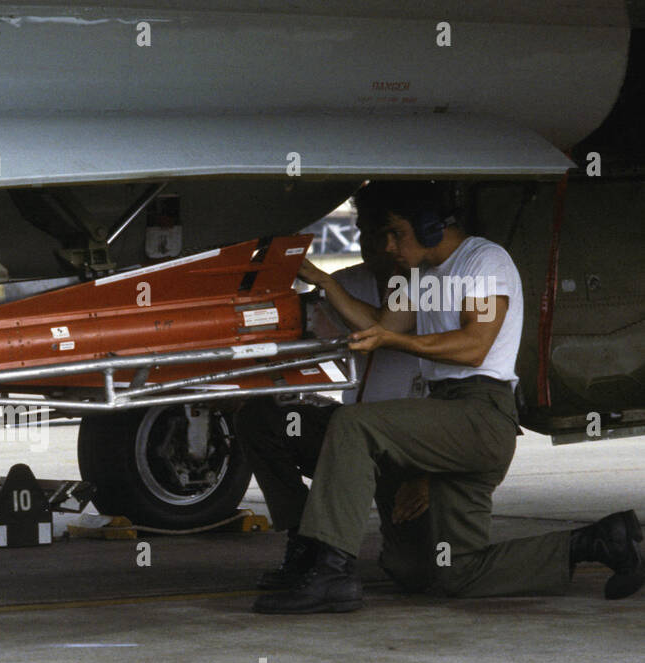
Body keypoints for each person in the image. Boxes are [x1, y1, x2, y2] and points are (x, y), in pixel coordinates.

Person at [254, 182, 644, 613]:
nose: (387, 246)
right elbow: (377, 324)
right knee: (439, 572)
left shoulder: (484, 261)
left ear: (429, 226)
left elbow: (474, 346)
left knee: (354, 424)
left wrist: (394, 340)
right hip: (448, 418)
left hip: (481, 413)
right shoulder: (421, 278)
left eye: (395, 233)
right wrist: (325, 281)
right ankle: (598, 541)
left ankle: (330, 572)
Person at [236, 185, 430, 591]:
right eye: (364, 229)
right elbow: (293, 336)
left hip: (412, 451)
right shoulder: (346, 282)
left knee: (415, 571)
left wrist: (429, 478)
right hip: (350, 439)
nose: (371, 242)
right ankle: (304, 536)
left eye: (384, 232)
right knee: (261, 417)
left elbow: (380, 325)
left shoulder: (431, 286)